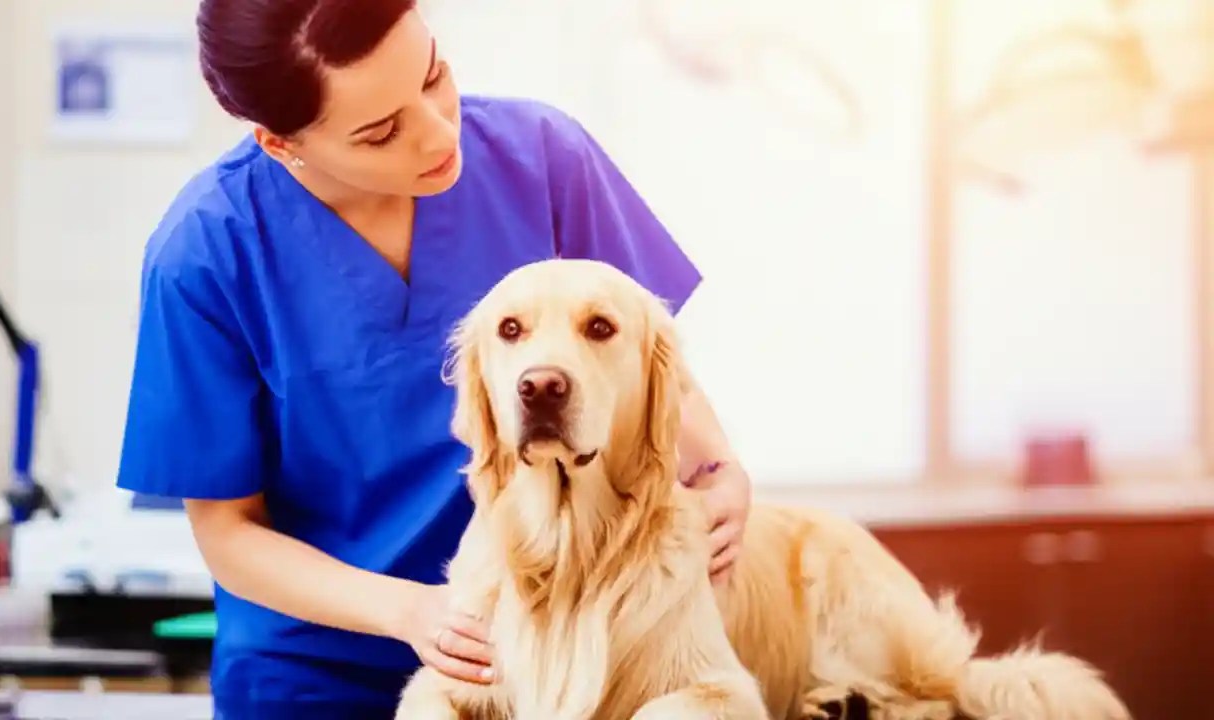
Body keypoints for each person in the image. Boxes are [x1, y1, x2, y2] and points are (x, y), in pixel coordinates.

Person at [116, 0, 752, 716]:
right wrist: (412, 612)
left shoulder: (544, 159)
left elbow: (642, 355)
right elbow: (229, 532)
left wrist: (720, 469)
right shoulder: (206, 253)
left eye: (433, 75)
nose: (436, 132)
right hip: (313, 669)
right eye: (381, 130)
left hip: (537, 648)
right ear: (279, 143)